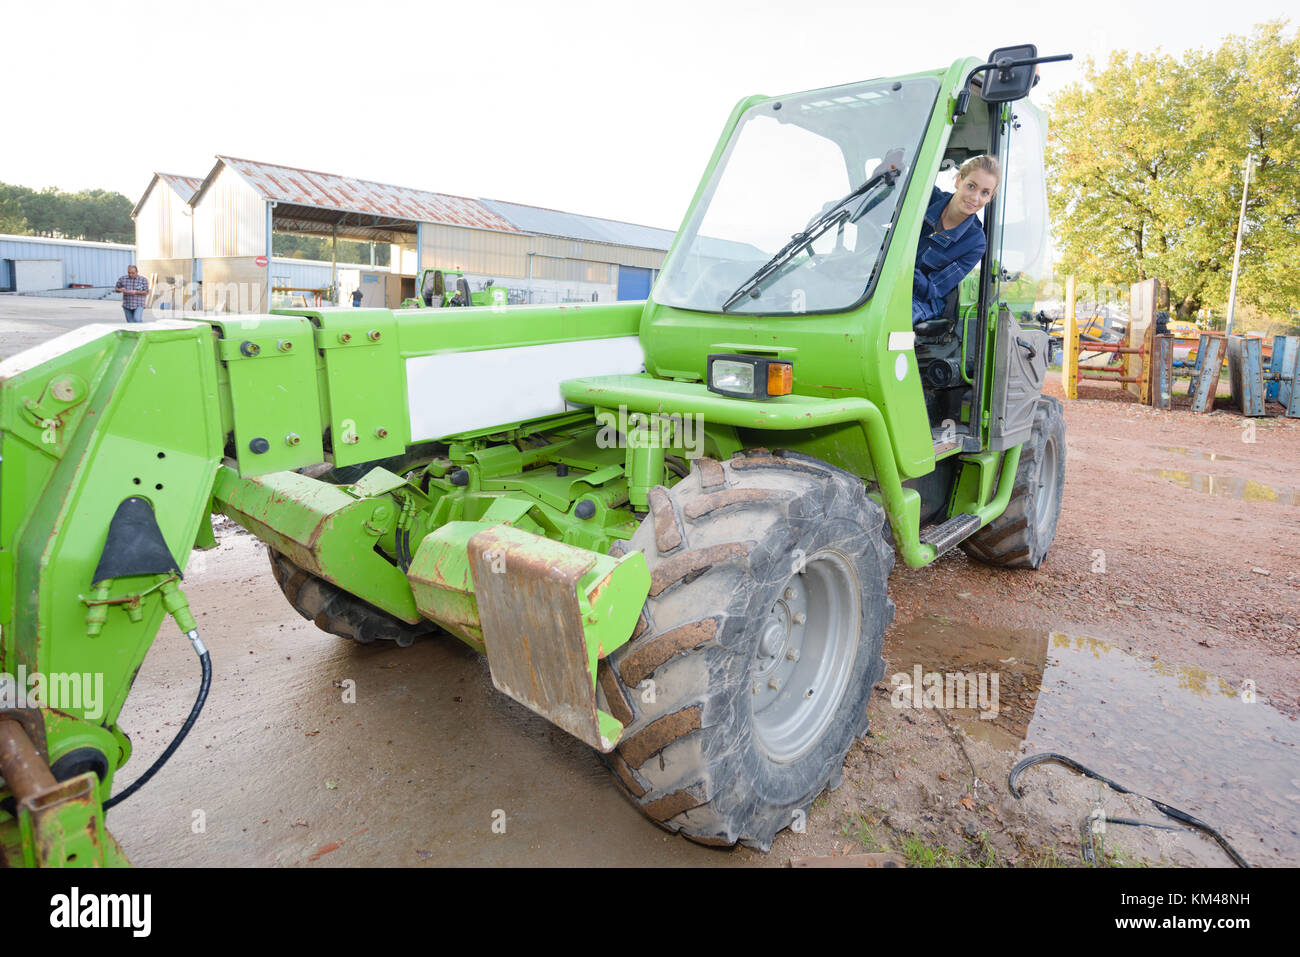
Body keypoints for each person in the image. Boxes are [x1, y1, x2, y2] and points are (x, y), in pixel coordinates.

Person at [912, 155, 999, 326]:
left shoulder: (975, 243)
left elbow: (934, 289)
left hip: (921, 300)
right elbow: (882, 205)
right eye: (971, 186)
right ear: (959, 180)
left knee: (886, 320)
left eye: (985, 193)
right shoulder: (924, 197)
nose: (975, 198)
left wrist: (900, 270)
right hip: (881, 279)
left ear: (990, 198)